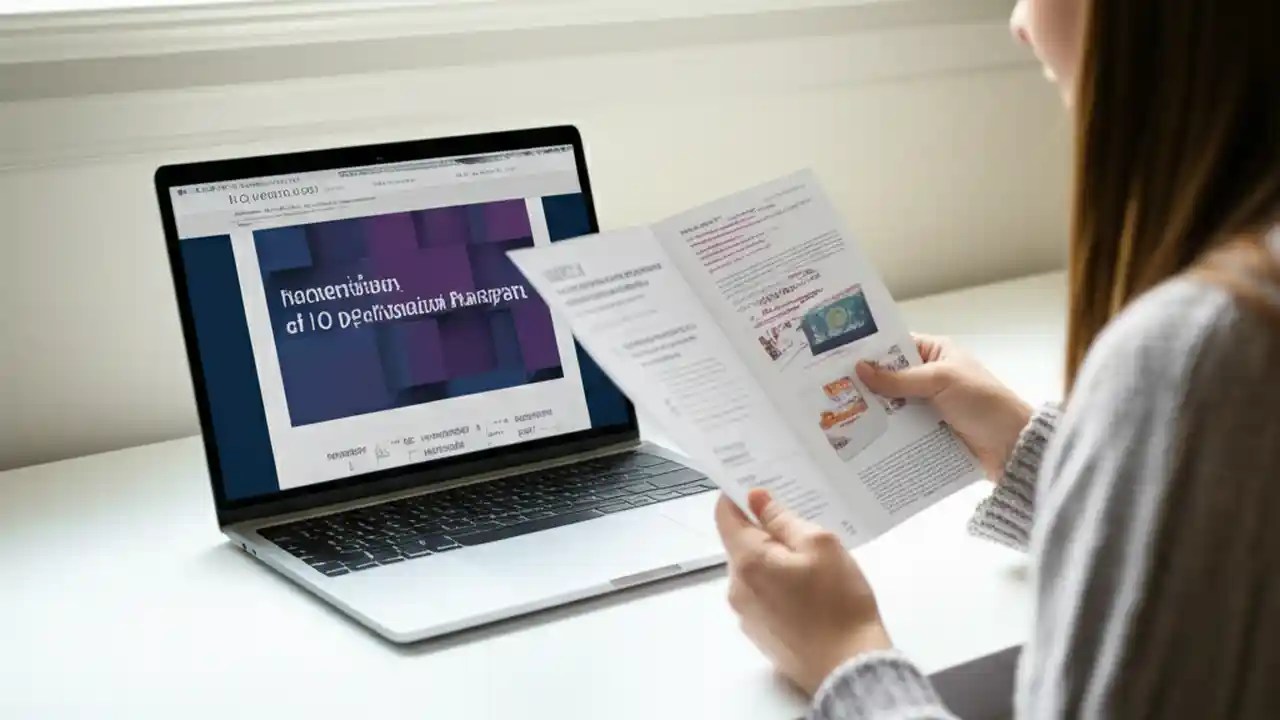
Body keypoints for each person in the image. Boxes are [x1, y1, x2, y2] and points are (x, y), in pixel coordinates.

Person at [713, 0, 1280, 717]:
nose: (1018, 22)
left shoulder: (1203, 352)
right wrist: (1046, 456)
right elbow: (1231, 537)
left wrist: (844, 655)